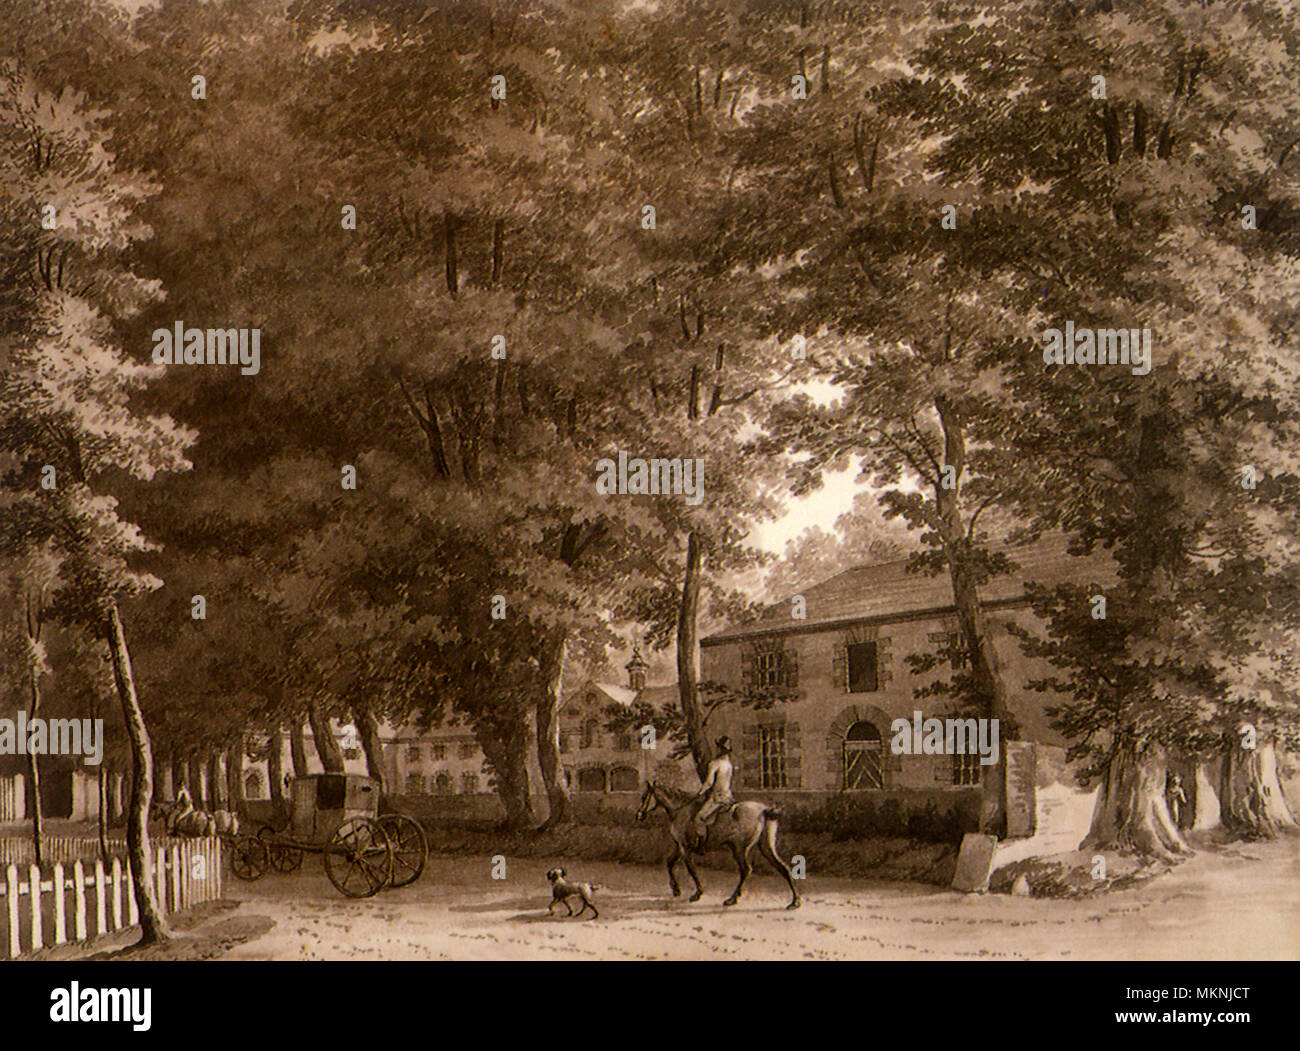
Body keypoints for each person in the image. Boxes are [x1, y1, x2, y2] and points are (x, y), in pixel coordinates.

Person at [691, 736, 736, 848]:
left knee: (698, 818)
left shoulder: (714, 763)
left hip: (717, 798)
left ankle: (702, 845)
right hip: (729, 797)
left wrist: (699, 793)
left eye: (718, 748)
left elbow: (709, 783)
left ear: (720, 749)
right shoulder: (729, 764)